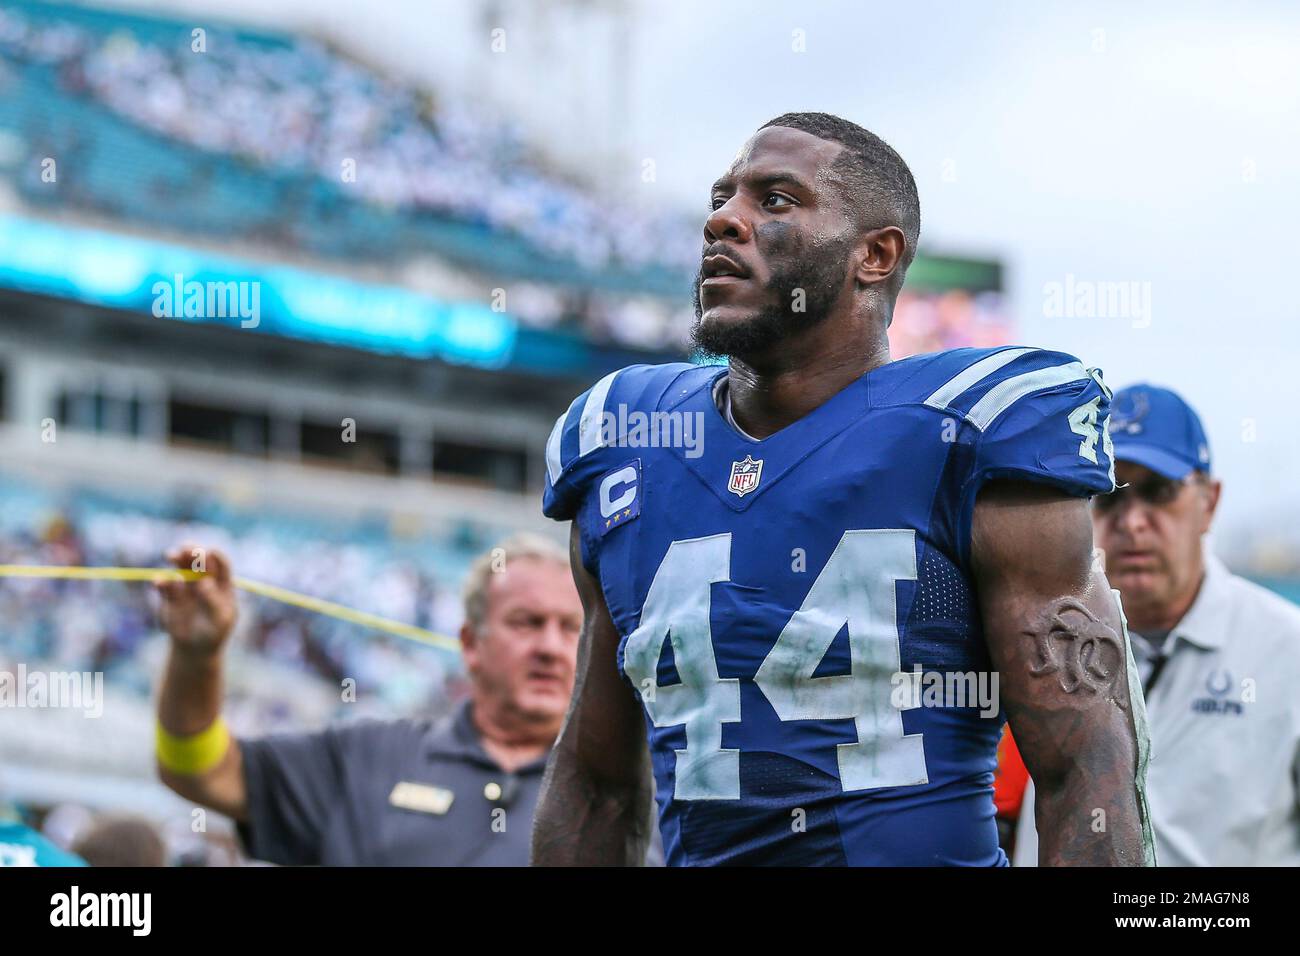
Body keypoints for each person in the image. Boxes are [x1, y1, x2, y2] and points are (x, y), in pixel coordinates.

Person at [531, 111, 1154, 867]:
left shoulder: (970, 428)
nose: (724, 220)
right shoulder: (624, 441)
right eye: (721, 197)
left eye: (777, 200)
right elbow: (597, 786)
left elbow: (1087, 771)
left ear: (875, 255)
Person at [153, 533, 582, 866]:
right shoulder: (367, 757)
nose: (550, 647)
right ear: (470, 644)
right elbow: (198, 771)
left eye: (570, 628)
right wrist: (197, 659)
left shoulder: (630, 786)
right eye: (526, 623)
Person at [1090, 384, 1300, 865]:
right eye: (1109, 494)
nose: (1133, 521)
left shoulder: (1287, 652)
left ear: (1210, 501)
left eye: (1159, 491)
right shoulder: (1044, 649)